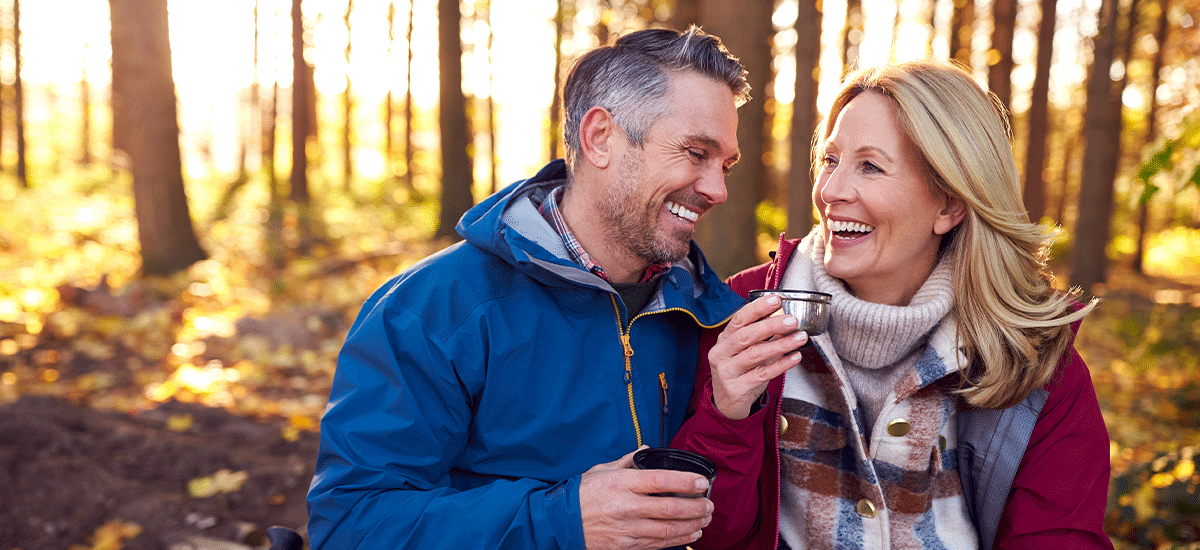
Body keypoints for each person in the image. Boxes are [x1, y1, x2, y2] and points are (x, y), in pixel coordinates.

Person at [306, 26, 751, 550]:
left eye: (725, 165)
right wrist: (560, 520)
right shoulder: (434, 308)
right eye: (696, 153)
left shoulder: (708, 316)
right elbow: (351, 525)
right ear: (600, 137)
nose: (718, 190)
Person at [671, 59, 1114, 550]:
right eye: (831, 160)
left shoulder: (1033, 355)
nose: (830, 191)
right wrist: (728, 417)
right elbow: (711, 534)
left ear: (948, 204)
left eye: (871, 166)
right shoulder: (744, 312)